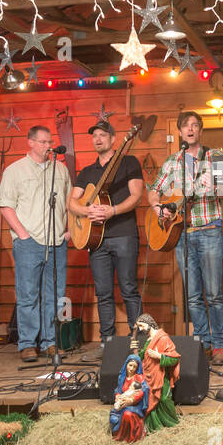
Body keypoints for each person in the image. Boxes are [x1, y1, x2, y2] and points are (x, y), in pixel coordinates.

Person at [146, 111, 223, 365]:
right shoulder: (172, 162)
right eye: (186, 126)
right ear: (180, 132)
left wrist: (213, 185)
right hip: (182, 234)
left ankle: (219, 346)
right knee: (192, 295)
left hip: (209, 230)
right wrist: (158, 208)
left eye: (195, 126)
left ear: (200, 130)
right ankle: (201, 343)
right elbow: (154, 191)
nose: (190, 130)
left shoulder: (214, 158)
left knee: (213, 293)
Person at [69, 120, 144, 361]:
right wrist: (86, 212)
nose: (98, 139)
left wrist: (112, 211)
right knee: (103, 293)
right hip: (96, 240)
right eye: (94, 136)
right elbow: (72, 201)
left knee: (129, 290)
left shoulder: (128, 162)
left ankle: (138, 344)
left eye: (103, 135)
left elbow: (136, 195)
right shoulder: (87, 172)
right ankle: (107, 344)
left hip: (123, 235)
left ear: (113, 139)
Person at [0, 126, 71, 362]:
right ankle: (28, 344)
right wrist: (22, 234)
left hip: (57, 241)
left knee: (56, 294)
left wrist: (69, 230)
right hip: (29, 241)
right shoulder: (15, 170)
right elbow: (5, 206)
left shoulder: (60, 169)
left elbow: (71, 202)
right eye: (42, 142)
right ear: (30, 142)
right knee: (28, 294)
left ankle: (50, 342)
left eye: (49, 142)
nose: (47, 146)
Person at [130, 313, 181, 432]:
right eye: (139, 327)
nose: (141, 330)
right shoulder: (149, 340)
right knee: (149, 400)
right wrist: (135, 349)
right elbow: (143, 356)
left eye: (142, 326)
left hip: (161, 376)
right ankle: (154, 425)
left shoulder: (163, 338)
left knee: (163, 399)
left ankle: (171, 422)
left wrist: (159, 356)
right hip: (149, 376)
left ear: (149, 323)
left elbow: (174, 358)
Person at [110, 354, 149, 443]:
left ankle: (131, 438)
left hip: (135, 406)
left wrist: (130, 400)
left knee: (127, 414)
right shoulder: (121, 377)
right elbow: (118, 389)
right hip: (122, 403)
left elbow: (143, 391)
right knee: (114, 417)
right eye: (130, 365)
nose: (131, 369)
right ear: (126, 364)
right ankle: (119, 435)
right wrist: (117, 396)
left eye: (134, 367)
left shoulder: (139, 378)